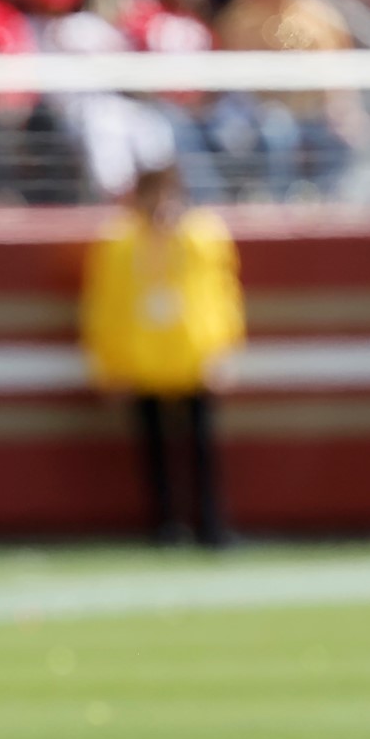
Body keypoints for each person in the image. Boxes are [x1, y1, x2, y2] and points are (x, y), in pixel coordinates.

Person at [81, 163, 246, 547]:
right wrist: (110, 365)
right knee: (153, 450)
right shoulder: (119, 244)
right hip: (144, 361)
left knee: (202, 449)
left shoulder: (201, 238)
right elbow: (104, 307)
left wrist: (223, 351)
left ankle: (210, 524)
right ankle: (165, 525)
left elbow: (221, 297)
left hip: (192, 357)